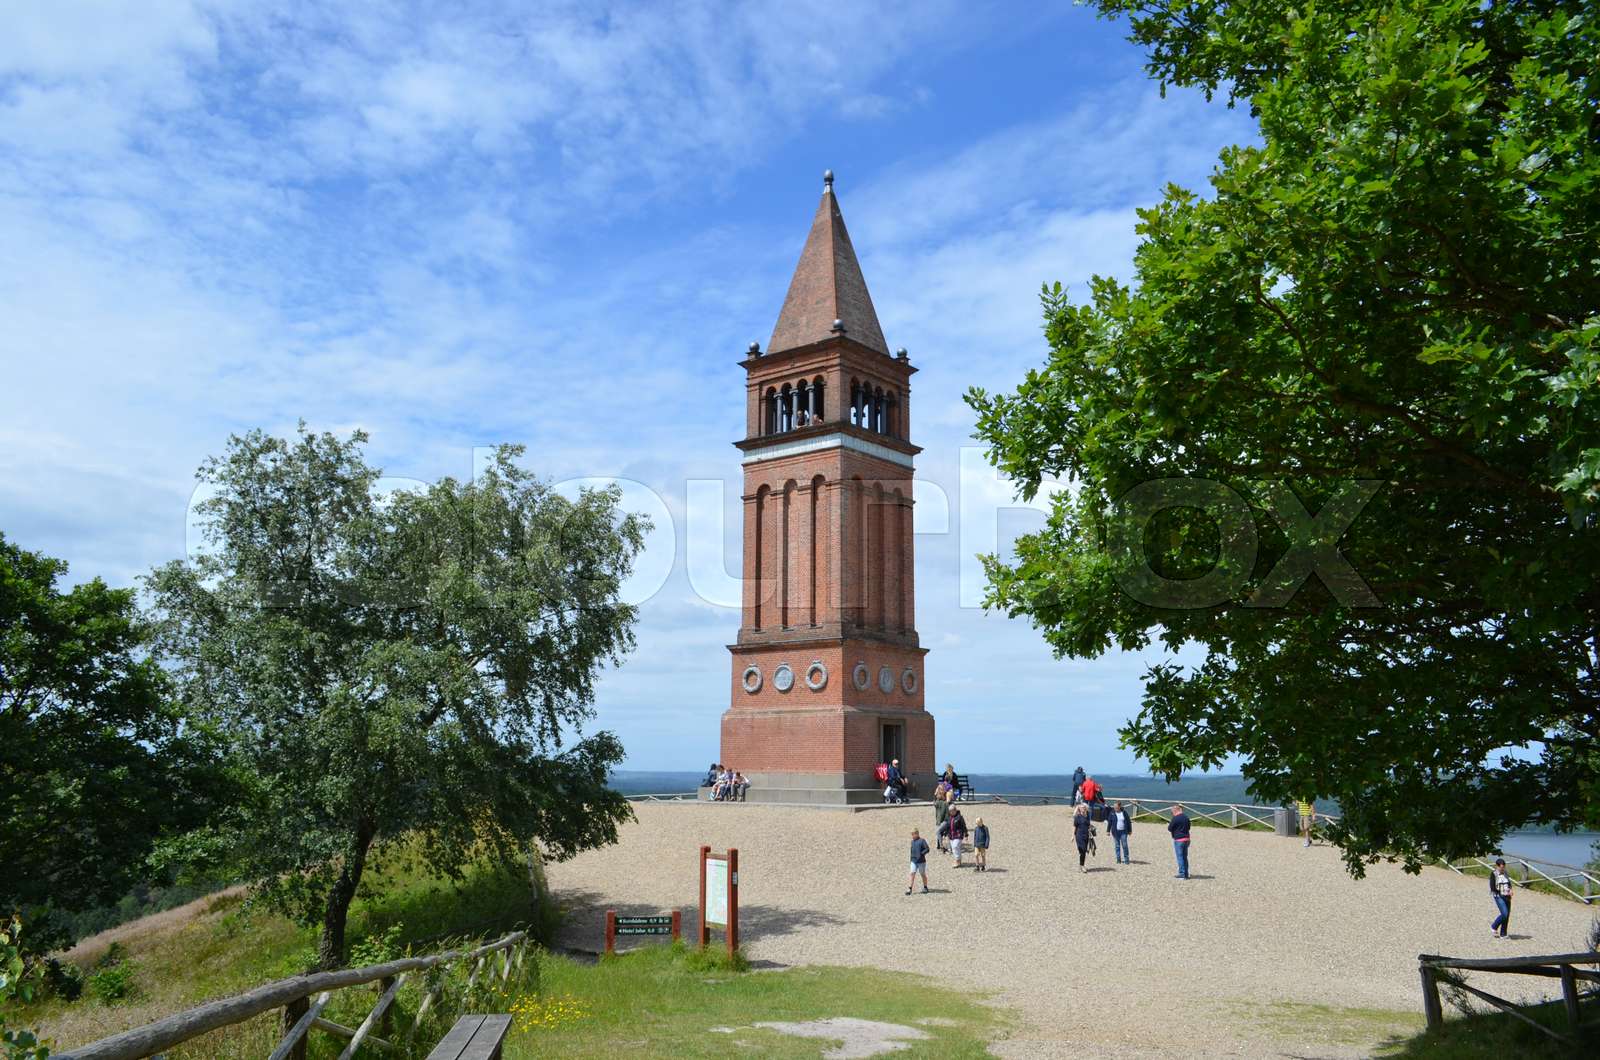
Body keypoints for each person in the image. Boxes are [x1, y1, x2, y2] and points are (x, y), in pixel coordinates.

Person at [1490, 858, 1513, 938]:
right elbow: (1492, 887)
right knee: (1504, 913)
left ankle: (1503, 933)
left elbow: (1509, 883)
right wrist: (1501, 892)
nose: (1502, 869)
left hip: (1507, 896)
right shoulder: (1493, 874)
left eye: (1503, 867)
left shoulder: (1506, 873)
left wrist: (1510, 890)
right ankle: (1494, 926)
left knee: (1507, 915)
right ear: (1497, 866)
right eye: (1501, 867)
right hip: (1499, 896)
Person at [1168, 804, 1192, 879]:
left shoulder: (1175, 818)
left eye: (1172, 812)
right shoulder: (1186, 817)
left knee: (1180, 857)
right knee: (1185, 857)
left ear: (1175, 811)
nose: (1172, 814)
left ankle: (1182, 874)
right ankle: (1186, 874)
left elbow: (1169, 828)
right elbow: (1189, 827)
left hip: (1179, 839)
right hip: (1187, 839)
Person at [907, 829, 930, 895]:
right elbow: (911, 851)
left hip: (921, 861)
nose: (912, 836)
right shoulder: (912, 842)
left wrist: (921, 854)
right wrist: (911, 859)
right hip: (913, 861)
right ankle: (910, 888)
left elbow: (927, 849)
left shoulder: (922, 841)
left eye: (913, 834)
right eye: (912, 834)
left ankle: (925, 887)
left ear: (917, 834)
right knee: (912, 873)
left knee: (922, 874)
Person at [1072, 803, 1095, 872]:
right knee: (1082, 850)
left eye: (1084, 807)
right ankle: (1082, 866)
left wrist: (1092, 828)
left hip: (1086, 835)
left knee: (1083, 851)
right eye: (1082, 807)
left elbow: (1088, 825)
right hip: (1079, 835)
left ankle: (1081, 865)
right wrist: (1072, 835)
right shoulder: (1077, 817)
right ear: (1079, 809)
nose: (1083, 808)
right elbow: (1074, 826)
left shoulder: (1087, 816)